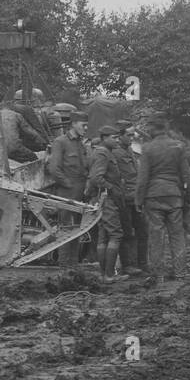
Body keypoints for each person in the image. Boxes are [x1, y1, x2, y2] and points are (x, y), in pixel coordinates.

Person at [135, 116, 190, 283]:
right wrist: (188, 199)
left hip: (153, 197)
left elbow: (143, 178)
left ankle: (158, 275)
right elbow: (186, 176)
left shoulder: (147, 149)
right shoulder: (179, 147)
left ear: (153, 129)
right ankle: (179, 272)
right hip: (175, 196)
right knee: (177, 235)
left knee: (156, 236)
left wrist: (139, 200)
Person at [47, 112, 90, 266]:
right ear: (73, 124)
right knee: (66, 228)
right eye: (83, 125)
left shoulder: (81, 144)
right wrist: (68, 185)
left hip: (81, 191)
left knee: (77, 229)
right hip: (67, 192)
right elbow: (54, 169)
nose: (86, 128)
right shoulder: (60, 142)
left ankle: (73, 265)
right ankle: (64, 266)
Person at [86, 126, 125, 282]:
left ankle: (104, 274)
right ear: (104, 138)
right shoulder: (102, 153)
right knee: (115, 234)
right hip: (106, 199)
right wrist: (112, 188)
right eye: (114, 137)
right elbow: (96, 178)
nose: (117, 140)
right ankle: (109, 274)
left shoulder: (103, 152)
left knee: (103, 236)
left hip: (101, 198)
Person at [112, 120, 144, 275]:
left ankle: (141, 263)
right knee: (126, 232)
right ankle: (128, 265)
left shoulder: (129, 149)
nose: (132, 138)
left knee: (142, 231)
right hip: (125, 198)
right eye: (129, 135)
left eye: (133, 135)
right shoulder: (116, 152)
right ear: (120, 136)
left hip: (135, 196)